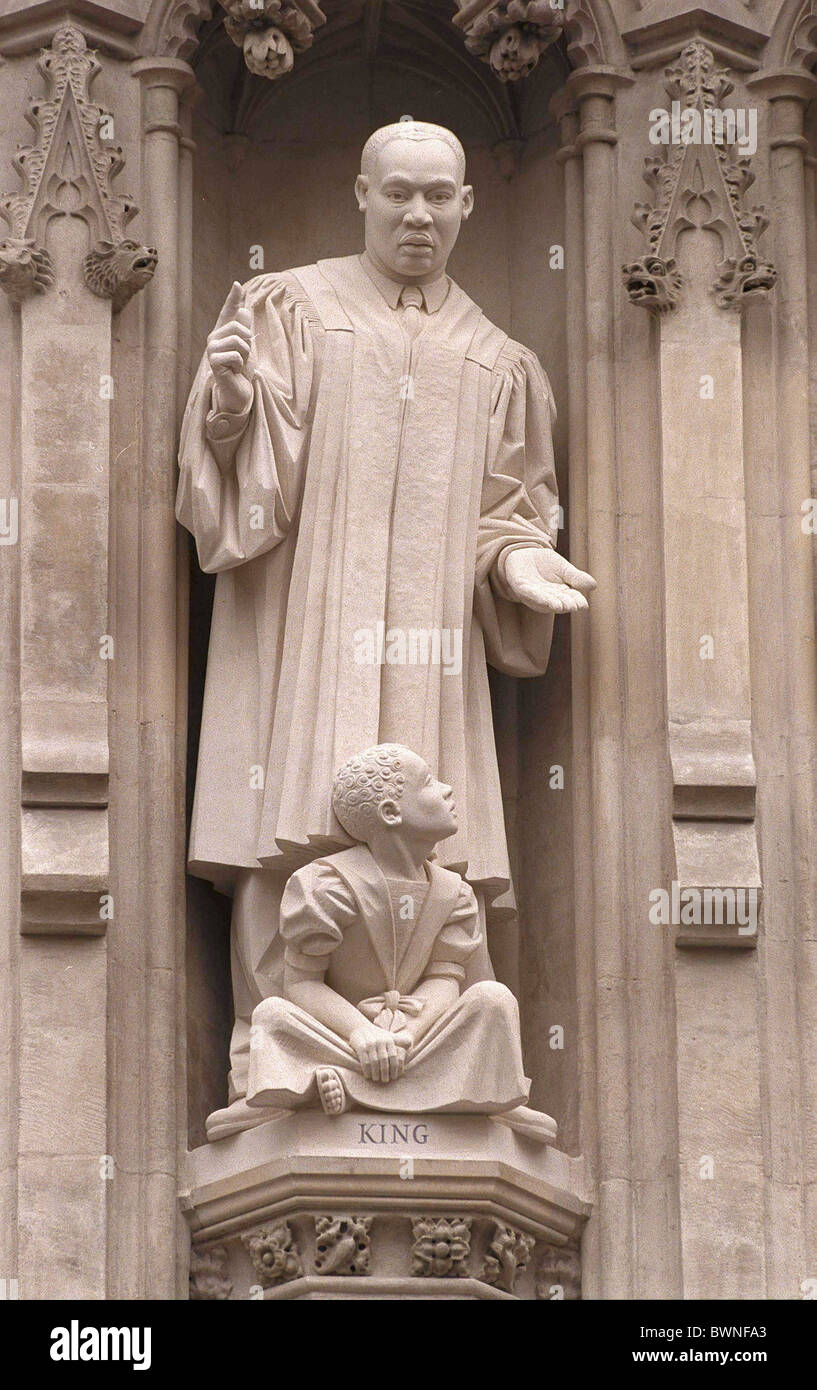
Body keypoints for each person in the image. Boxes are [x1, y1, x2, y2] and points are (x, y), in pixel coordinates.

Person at [176, 117, 595, 1139]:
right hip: (307, 633)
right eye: (398, 192)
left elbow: (510, 504)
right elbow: (234, 498)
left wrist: (517, 557)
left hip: (430, 655)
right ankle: (268, 1053)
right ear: (360, 194)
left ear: (468, 205)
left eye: (438, 195)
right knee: (293, 821)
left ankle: (456, 1067)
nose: (418, 213)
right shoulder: (291, 309)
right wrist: (228, 406)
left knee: (433, 839)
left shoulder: (500, 362)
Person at [247, 744, 557, 1142]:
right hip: (347, 1034)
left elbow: (446, 977)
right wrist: (362, 1034)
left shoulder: (455, 894)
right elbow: (302, 983)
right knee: (272, 1017)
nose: (447, 790)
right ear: (391, 813)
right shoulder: (326, 885)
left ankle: (349, 1085)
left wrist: (407, 1035)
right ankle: (457, 1092)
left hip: (416, 1036)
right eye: (429, 783)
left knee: (493, 1000)